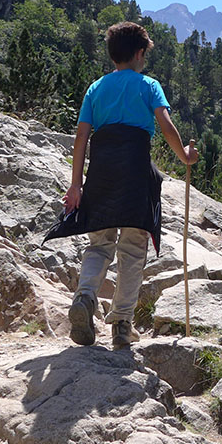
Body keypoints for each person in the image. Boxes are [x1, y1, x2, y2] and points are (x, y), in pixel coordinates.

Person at [63, 21, 198, 349]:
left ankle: (85, 298)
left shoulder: (96, 89)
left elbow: (81, 136)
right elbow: (165, 125)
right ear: (139, 53)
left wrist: (76, 185)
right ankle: (122, 324)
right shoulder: (148, 85)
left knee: (100, 245)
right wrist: (185, 155)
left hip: (102, 175)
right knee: (133, 249)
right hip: (136, 176)